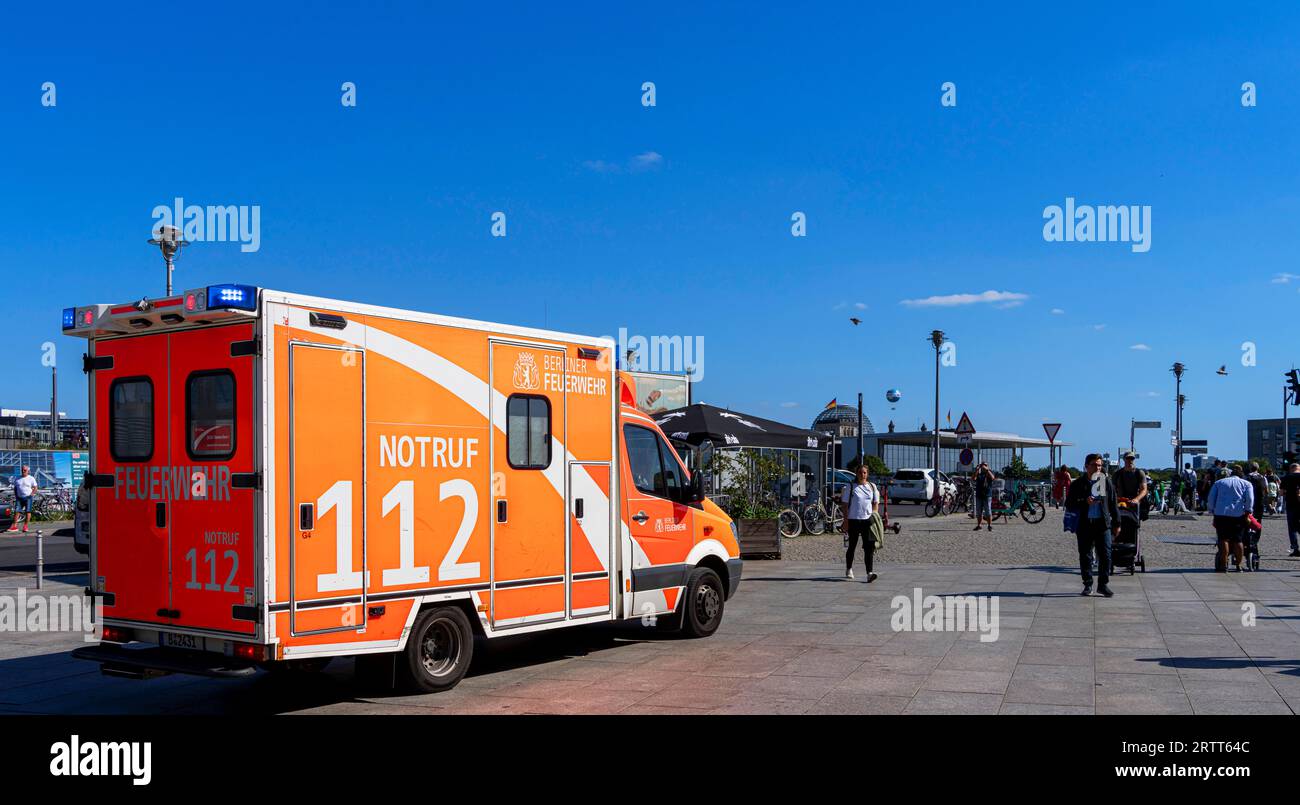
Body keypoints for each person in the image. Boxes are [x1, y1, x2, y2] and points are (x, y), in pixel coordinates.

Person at [1065, 453, 1120, 596]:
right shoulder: (1078, 484)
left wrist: (1117, 522)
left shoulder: (1104, 481)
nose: (1098, 468)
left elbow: (1113, 502)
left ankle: (1103, 584)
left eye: (1100, 465)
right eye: (1095, 465)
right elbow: (1069, 503)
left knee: (1106, 555)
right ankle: (1088, 584)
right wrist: (1084, 501)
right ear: (1086, 466)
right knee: (1086, 555)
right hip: (1085, 524)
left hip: (1102, 524)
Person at [1207, 465, 1254, 572]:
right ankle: (1239, 565)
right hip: (1238, 515)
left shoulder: (1219, 483)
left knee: (1223, 539)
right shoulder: (1247, 484)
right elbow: (1250, 499)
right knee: (1238, 540)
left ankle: (1223, 565)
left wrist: (1212, 510)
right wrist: (1248, 512)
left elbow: (1211, 498)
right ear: (1241, 475)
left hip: (1221, 514)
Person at [840, 465, 878, 582]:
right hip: (853, 520)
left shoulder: (872, 487)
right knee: (852, 546)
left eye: (865, 473)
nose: (863, 475)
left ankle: (869, 573)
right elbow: (845, 505)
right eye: (861, 472)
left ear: (867, 474)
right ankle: (849, 568)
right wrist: (845, 521)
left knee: (869, 548)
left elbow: (875, 504)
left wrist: (874, 517)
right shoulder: (850, 487)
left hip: (867, 521)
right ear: (856, 473)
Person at [9, 466, 38, 533]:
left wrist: (32, 494)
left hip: (28, 497)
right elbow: (15, 488)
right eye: (22, 470)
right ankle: (14, 526)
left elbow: (35, 487)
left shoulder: (31, 478)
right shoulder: (17, 478)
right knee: (17, 511)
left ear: (28, 471)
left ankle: (25, 526)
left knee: (28, 511)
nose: (23, 471)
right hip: (19, 498)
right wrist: (16, 495)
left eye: (25, 470)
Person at [1281, 463, 1300, 557]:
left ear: (1290, 469)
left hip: (1291, 505)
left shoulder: (1286, 478)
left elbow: (1281, 493)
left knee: (1292, 528)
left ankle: (1295, 548)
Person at [973, 462, 995, 532]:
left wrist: (987, 470)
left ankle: (989, 526)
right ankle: (979, 525)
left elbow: (993, 478)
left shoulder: (989, 473)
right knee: (979, 512)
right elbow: (973, 478)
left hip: (987, 495)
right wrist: (977, 469)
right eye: (982, 465)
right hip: (979, 495)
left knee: (988, 511)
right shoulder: (979, 474)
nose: (983, 467)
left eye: (985, 465)